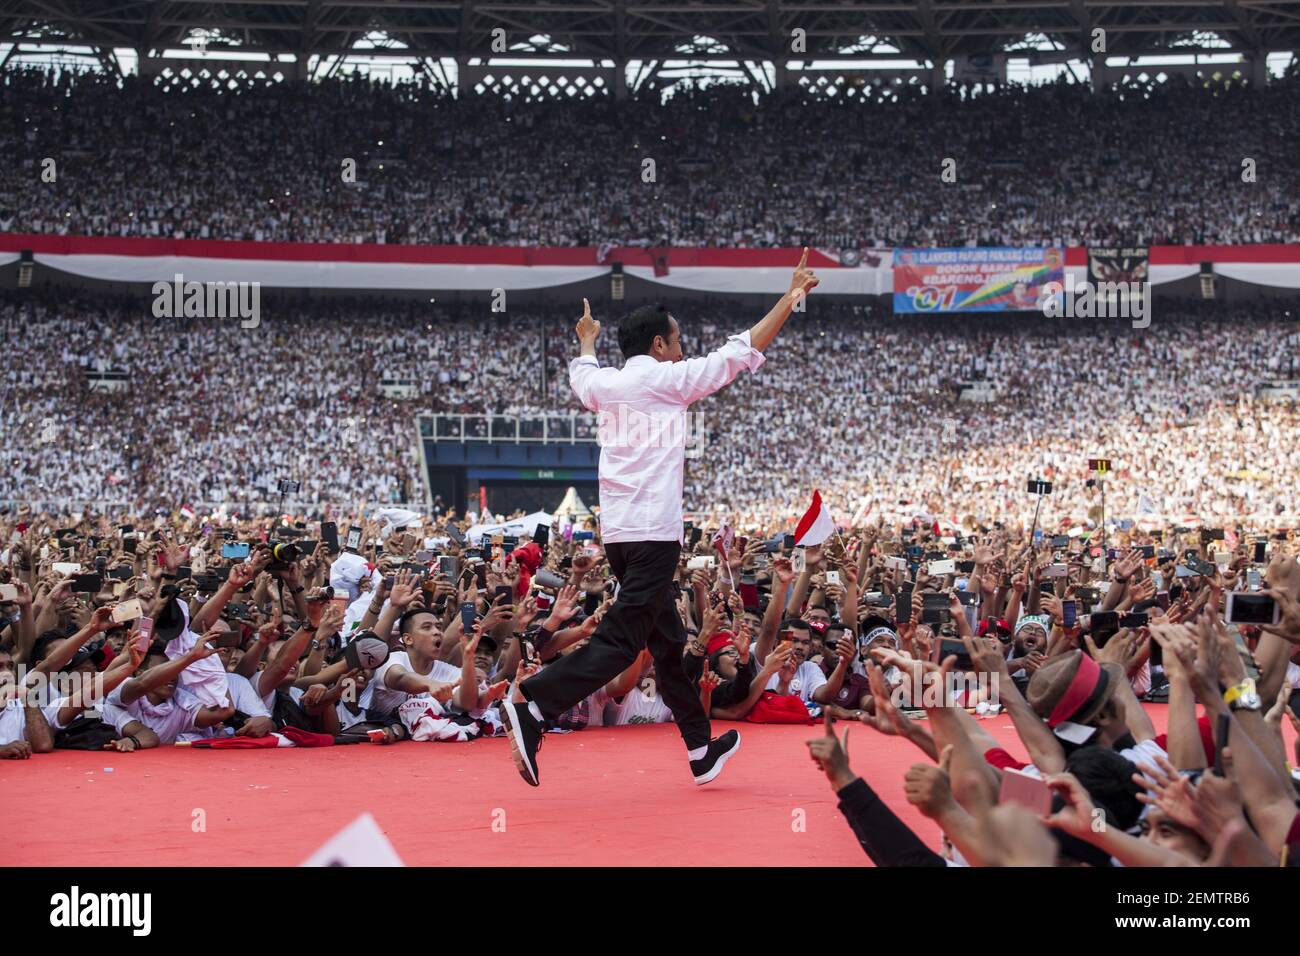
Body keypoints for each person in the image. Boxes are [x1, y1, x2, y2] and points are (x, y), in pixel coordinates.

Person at [501, 250, 821, 786]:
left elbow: (581, 374)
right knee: (623, 641)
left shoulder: (605, 384)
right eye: (676, 341)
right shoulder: (665, 380)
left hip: (623, 536)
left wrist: (586, 339)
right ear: (658, 345)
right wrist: (790, 300)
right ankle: (534, 705)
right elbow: (737, 355)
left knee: (669, 644)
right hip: (652, 536)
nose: (681, 351)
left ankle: (700, 750)